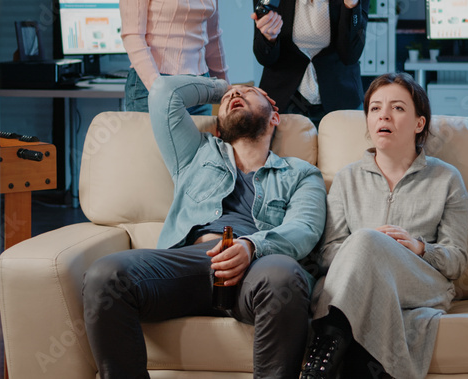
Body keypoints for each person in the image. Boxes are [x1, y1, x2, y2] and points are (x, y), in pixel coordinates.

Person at [82, 74, 327, 379]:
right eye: (229, 99)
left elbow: (305, 227)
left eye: (249, 93)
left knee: (284, 276)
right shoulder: (194, 153)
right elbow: (163, 92)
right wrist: (224, 89)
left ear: (274, 116)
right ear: (219, 127)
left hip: (256, 270)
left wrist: (251, 246)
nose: (236, 94)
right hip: (188, 266)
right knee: (105, 275)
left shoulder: (301, 173)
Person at [302, 72, 468, 379]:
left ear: (420, 123)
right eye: (375, 108)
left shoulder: (447, 179)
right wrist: (367, 247)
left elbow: (457, 261)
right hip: (356, 286)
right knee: (365, 243)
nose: (384, 116)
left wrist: (419, 248)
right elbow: (327, 254)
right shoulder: (346, 178)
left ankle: (320, 358)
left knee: (365, 243)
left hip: (421, 284)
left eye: (398, 108)